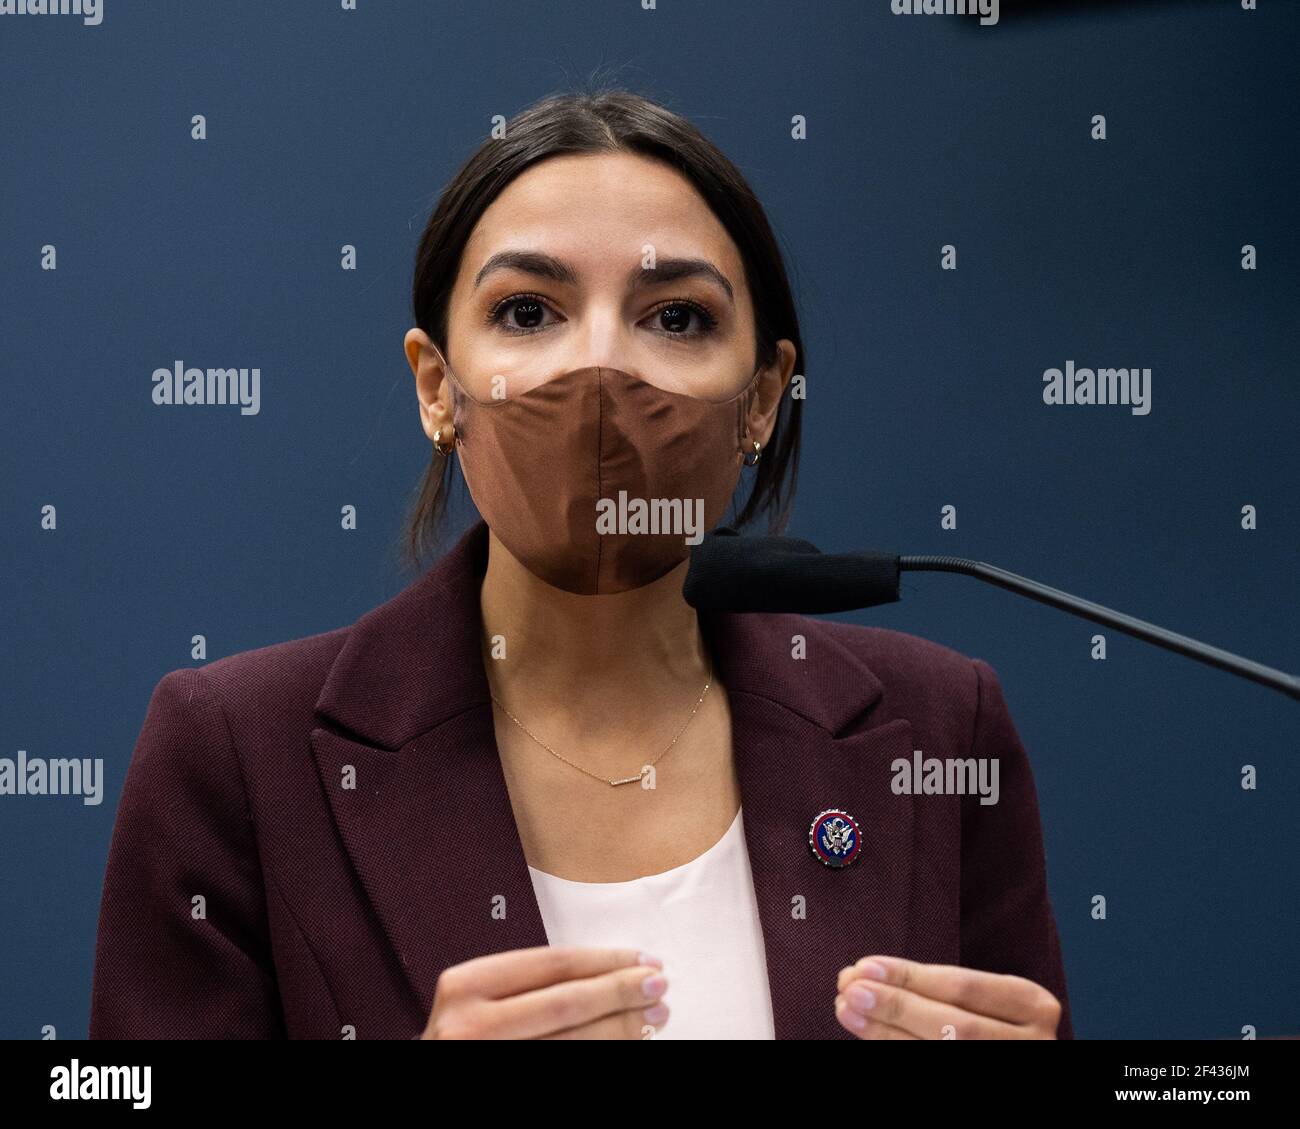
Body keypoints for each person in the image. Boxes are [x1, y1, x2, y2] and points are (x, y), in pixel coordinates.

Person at [90, 87, 1072, 1040]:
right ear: (438, 388)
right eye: (528, 313)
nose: (602, 370)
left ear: (764, 398)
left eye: (676, 317)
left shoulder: (939, 728)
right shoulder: (234, 754)